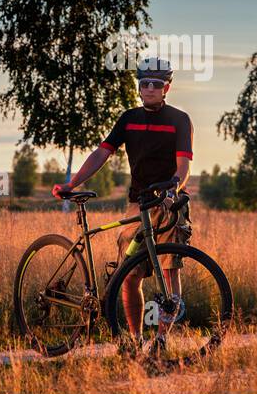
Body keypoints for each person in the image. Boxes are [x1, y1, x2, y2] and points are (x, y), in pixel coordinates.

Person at [52, 57, 193, 341]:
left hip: (168, 204)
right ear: (139, 87)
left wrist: (172, 190)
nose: (150, 88)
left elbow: (184, 165)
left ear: (167, 87)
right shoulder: (129, 119)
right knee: (129, 276)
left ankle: (162, 341)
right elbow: (102, 153)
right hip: (138, 204)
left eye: (156, 84)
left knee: (169, 273)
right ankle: (135, 340)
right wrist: (72, 183)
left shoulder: (179, 119)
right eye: (144, 83)